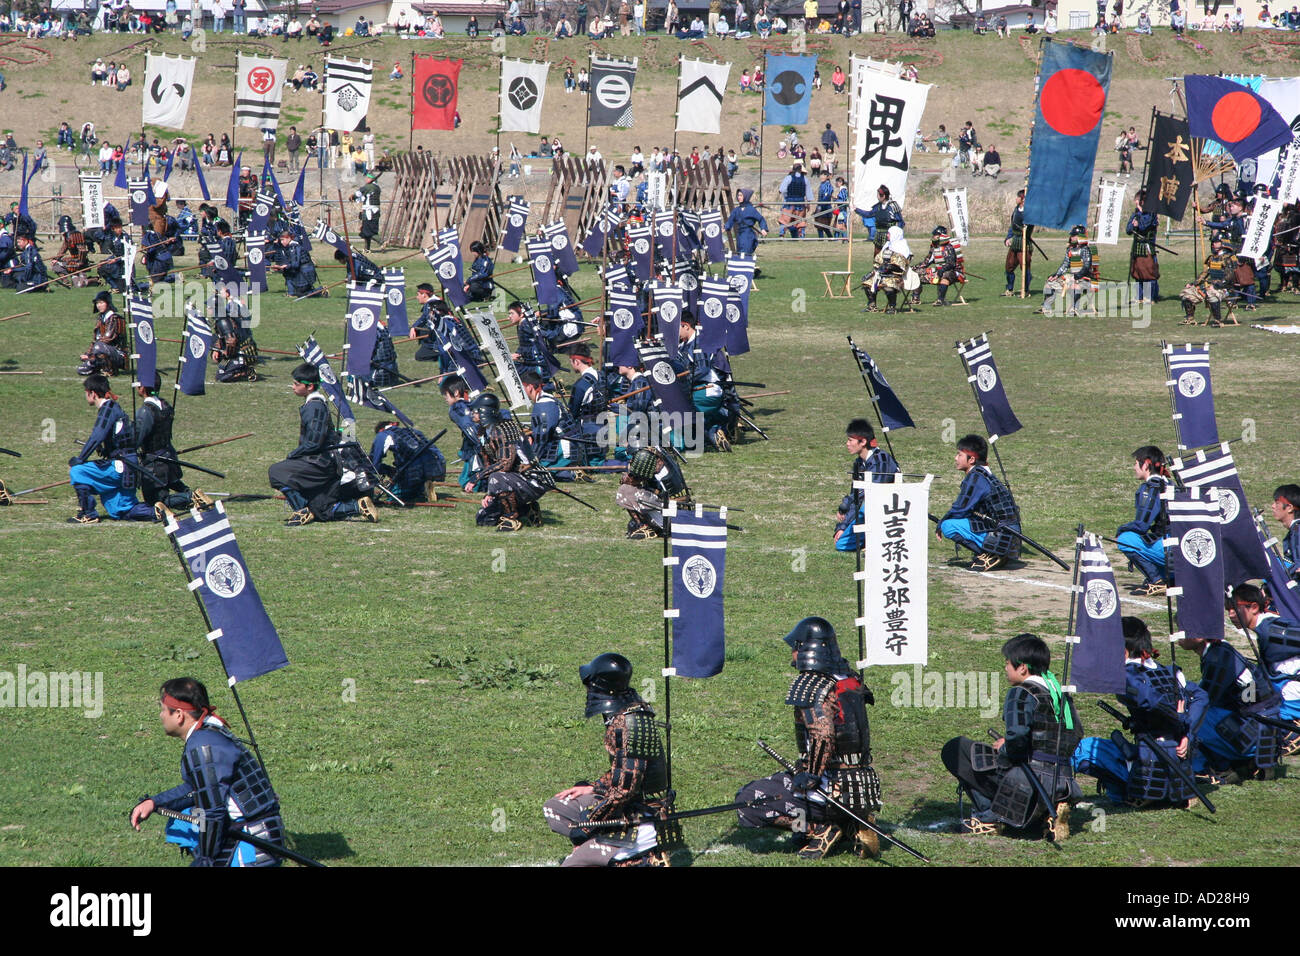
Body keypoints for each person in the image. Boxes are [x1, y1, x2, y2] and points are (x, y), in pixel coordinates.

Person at [735, 618, 881, 859]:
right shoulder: (851, 680)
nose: (792, 653)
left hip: (830, 791)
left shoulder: (813, 685)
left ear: (806, 649)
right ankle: (852, 824)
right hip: (861, 789)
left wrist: (811, 774)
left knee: (748, 801)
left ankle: (823, 829)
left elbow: (823, 735)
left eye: (795, 647)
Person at [129, 677, 284, 866]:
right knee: (181, 821)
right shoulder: (208, 734)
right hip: (249, 833)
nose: (161, 716)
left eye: (163, 710)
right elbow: (199, 789)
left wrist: (205, 860)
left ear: (178, 715)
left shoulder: (203, 745)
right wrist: (155, 802)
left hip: (253, 845)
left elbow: (212, 811)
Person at [942, 633, 1081, 838]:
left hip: (1030, 782)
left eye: (1008, 663)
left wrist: (1005, 748)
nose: (1005, 668)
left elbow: (1017, 742)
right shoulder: (1061, 695)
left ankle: (989, 817)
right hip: (1065, 783)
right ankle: (1046, 815)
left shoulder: (1021, 693)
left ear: (1022, 667)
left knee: (958, 748)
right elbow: (1075, 734)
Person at [542, 653, 670, 867]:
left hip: (637, 820)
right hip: (627, 806)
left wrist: (587, 827)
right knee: (555, 807)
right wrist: (594, 788)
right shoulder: (630, 713)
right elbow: (627, 773)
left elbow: (623, 792)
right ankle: (599, 848)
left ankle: (639, 857)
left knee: (571, 865)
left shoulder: (627, 725)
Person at [1072, 617, 1202, 806]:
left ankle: (1136, 791)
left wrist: (1180, 720)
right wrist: (1187, 733)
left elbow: (1150, 700)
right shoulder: (1171, 672)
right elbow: (1201, 698)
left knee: (1082, 749)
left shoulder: (1127, 677)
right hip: (1181, 762)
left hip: (1152, 765)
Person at [267, 362, 377, 526]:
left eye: (297, 384)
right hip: (323, 463)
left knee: (276, 472)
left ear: (310, 386)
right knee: (320, 509)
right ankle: (357, 506)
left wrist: (293, 455)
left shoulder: (315, 407)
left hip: (321, 464)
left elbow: (314, 442)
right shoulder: (314, 405)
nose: (293, 387)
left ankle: (302, 510)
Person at [1179, 620, 1281, 782]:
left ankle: (1221, 768)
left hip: (1255, 733)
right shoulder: (1220, 650)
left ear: (1199, 637)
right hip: (1266, 730)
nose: (1177, 633)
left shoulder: (1217, 658)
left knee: (1194, 715)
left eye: (1182, 627)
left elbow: (1204, 700)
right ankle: (1248, 763)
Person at [68, 374, 155, 523]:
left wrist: (80, 459)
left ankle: (87, 514)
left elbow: (97, 435)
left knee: (77, 472)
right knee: (121, 511)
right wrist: (106, 450)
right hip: (128, 467)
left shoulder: (108, 409)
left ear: (92, 393)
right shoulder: (114, 408)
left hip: (121, 467)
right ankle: (159, 511)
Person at [1229, 583, 1300, 750]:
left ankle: (1292, 729)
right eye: (1228, 609)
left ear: (1254, 607)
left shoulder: (1270, 631)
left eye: (1234, 607)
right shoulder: (1265, 628)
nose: (1231, 614)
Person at [936, 433, 1021, 572]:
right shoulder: (982, 474)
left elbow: (960, 508)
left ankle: (992, 554)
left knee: (948, 526)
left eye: (959, 455)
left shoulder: (976, 478)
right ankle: (994, 552)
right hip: (1008, 532)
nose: (955, 458)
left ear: (971, 459)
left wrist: (940, 523)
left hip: (1004, 534)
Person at [465, 391, 547, 531]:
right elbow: (490, 464)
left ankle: (511, 518)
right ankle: (528, 510)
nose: (473, 414)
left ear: (485, 412)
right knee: (484, 518)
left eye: (476, 411)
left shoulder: (502, 430)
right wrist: (489, 494)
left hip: (532, 480)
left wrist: (476, 477)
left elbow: (505, 463)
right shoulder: (484, 433)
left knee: (496, 477)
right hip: (513, 479)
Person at [135, 372, 207, 517]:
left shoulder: (145, 411)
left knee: (156, 501)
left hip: (154, 463)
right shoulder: (166, 406)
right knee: (172, 482)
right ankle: (191, 496)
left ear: (142, 388)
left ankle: (190, 497)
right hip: (169, 455)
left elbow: (138, 438)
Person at [833, 419, 900, 552]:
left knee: (865, 508)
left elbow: (870, 494)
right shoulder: (858, 463)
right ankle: (869, 540)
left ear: (863, 442)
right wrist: (842, 525)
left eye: (850, 440)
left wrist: (847, 503)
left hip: (888, 510)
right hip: (866, 509)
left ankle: (877, 539)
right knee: (841, 544)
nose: (847, 444)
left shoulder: (881, 460)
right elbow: (856, 495)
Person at [1114, 445, 1172, 596]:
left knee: (1125, 539)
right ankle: (1167, 578)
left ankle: (1157, 581)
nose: (1134, 467)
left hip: (1171, 549)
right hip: (1183, 549)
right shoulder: (1170, 485)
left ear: (1146, 464)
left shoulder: (1151, 488)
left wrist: (1121, 529)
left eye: (1136, 463)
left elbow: (1141, 525)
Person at [370, 421, 446, 504]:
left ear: (380, 430)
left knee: (394, 493)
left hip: (414, 469)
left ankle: (414, 490)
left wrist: (386, 470)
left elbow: (375, 463)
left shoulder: (382, 435)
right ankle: (422, 487)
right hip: (434, 465)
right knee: (415, 487)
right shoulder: (411, 431)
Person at [1179, 235, 1237, 327]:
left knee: (1212, 295)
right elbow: (1205, 273)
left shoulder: (1228, 258)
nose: (1214, 245)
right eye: (1213, 243)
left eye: (1217, 242)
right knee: (1187, 294)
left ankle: (1218, 320)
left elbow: (1229, 277)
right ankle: (1190, 318)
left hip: (1225, 288)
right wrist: (1193, 283)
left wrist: (1218, 284)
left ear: (1223, 244)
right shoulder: (1211, 258)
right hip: (1209, 285)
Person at [1041, 225, 1094, 315]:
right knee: (1049, 284)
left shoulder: (1085, 250)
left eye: (1074, 236)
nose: (1071, 237)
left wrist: (1077, 276)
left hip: (1084, 279)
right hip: (1071, 277)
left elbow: (1086, 266)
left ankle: (1074, 309)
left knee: (1075, 287)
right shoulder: (1070, 249)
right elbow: (1065, 265)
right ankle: (1046, 307)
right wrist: (1056, 275)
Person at [210, 289, 259, 382]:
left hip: (242, 353)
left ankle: (247, 371)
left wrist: (225, 353)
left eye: (209, 307)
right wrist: (216, 349)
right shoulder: (222, 317)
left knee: (223, 377)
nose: (208, 309)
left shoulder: (223, 321)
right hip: (240, 350)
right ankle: (240, 368)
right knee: (219, 374)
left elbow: (231, 341)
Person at [861, 225, 910, 313]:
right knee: (867, 283)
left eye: (889, 234)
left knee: (888, 286)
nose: (887, 235)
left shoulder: (902, 248)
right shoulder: (887, 245)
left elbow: (901, 266)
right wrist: (876, 269)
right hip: (881, 274)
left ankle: (892, 307)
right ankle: (872, 306)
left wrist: (889, 267)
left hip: (895, 276)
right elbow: (878, 260)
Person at [79, 291, 128, 376]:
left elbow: (107, 339)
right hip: (103, 349)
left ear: (107, 303)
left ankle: (110, 370)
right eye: (97, 303)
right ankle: (100, 367)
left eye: (101, 302)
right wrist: (87, 354)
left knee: (99, 346)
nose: (99, 305)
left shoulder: (115, 318)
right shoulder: (101, 318)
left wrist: (91, 355)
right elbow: (96, 339)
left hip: (119, 354)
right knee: (82, 370)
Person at [1126, 188, 1159, 304]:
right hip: (1137, 247)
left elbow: (1144, 226)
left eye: (1138, 202)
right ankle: (1139, 296)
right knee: (1137, 272)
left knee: (1149, 272)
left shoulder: (1151, 213)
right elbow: (1128, 229)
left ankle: (1150, 297)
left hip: (1148, 247)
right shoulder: (1135, 214)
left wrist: (1139, 217)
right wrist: (1134, 223)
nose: (1137, 205)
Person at [918, 225, 963, 306]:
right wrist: (915, 268)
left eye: (935, 235)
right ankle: (915, 298)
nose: (933, 237)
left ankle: (940, 300)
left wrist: (941, 271)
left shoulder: (948, 247)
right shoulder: (934, 246)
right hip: (939, 270)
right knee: (918, 273)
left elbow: (951, 263)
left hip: (954, 272)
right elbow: (927, 261)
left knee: (945, 275)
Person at [270, 229, 321, 297]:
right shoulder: (291, 246)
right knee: (287, 273)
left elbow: (296, 264)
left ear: (289, 238)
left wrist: (284, 267)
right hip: (302, 271)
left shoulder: (294, 247)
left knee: (301, 294)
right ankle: (291, 293)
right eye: (281, 240)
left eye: (283, 240)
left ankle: (321, 291)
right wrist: (281, 267)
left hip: (305, 272)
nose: (281, 242)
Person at [723, 188, 769, 254]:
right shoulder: (736, 210)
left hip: (748, 235)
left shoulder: (751, 209)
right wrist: (725, 227)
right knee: (740, 253)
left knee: (745, 253)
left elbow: (761, 219)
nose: (739, 197)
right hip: (739, 235)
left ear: (746, 196)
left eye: (741, 195)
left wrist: (763, 228)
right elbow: (730, 220)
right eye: (738, 195)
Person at [1272, 485, 1300, 579]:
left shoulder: (1298, 531)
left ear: (1289, 508)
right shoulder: (1294, 531)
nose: (1273, 506)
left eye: (1277, 503)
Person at [353, 171, 381, 252]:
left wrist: (353, 197)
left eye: (368, 178)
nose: (366, 179)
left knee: (369, 231)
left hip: (370, 212)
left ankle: (382, 242)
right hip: (373, 211)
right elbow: (364, 197)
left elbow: (358, 193)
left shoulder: (369, 187)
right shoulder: (376, 187)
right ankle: (367, 248)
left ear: (371, 179)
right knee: (365, 231)